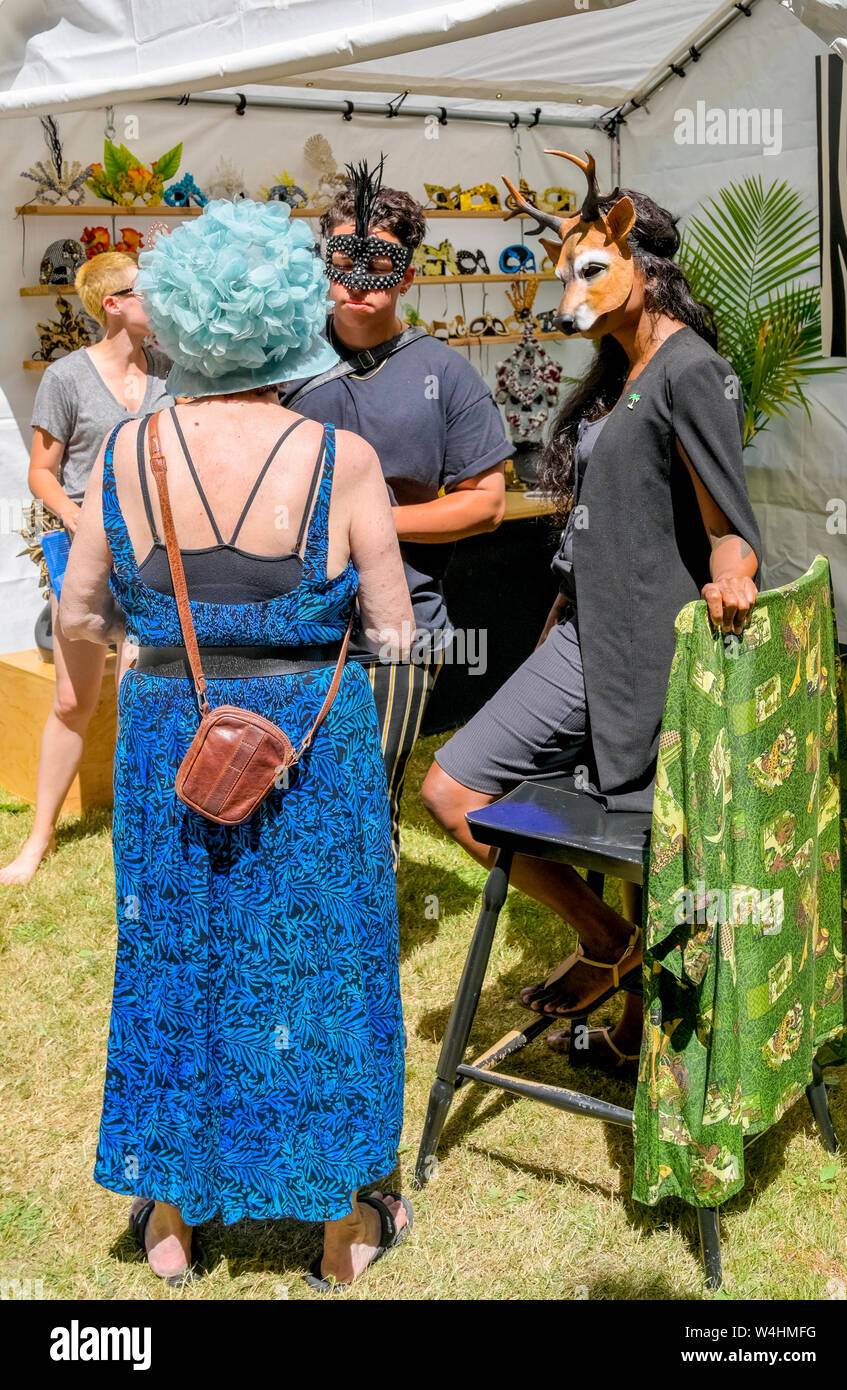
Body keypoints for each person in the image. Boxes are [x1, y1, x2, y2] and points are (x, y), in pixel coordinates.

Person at [59, 198, 415, 1290]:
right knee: (322, 966)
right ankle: (340, 1230)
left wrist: (150, 643)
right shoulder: (340, 455)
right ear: (288, 319)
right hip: (311, 744)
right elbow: (396, 633)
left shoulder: (123, 451)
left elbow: (78, 613)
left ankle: (168, 1217)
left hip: (174, 737)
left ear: (179, 322)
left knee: (176, 957)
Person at [423, 172, 762, 1067]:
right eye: (565, 274)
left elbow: (732, 529)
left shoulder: (693, 370)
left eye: (589, 271)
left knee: (456, 792)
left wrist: (734, 581)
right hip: (581, 633)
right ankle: (617, 948)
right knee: (457, 794)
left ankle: (624, 986)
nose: (568, 296)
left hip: (636, 649)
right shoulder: (629, 369)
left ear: (643, 268)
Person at [282, 158, 509, 870]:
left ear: (406, 274)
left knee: (366, 794)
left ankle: (360, 955)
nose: (354, 279)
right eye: (341, 259)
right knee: (287, 789)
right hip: (287, 618)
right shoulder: (282, 362)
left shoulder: (445, 373)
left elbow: (487, 502)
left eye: (375, 262)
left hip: (400, 623)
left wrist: (372, 525)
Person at [0, 251, 172, 887]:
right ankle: (37, 840)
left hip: (155, 558)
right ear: (115, 304)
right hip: (85, 556)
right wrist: (77, 519)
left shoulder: (171, 371)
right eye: (148, 290)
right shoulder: (68, 377)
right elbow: (40, 472)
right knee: (74, 700)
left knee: (141, 697)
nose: (160, 298)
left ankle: (143, 837)